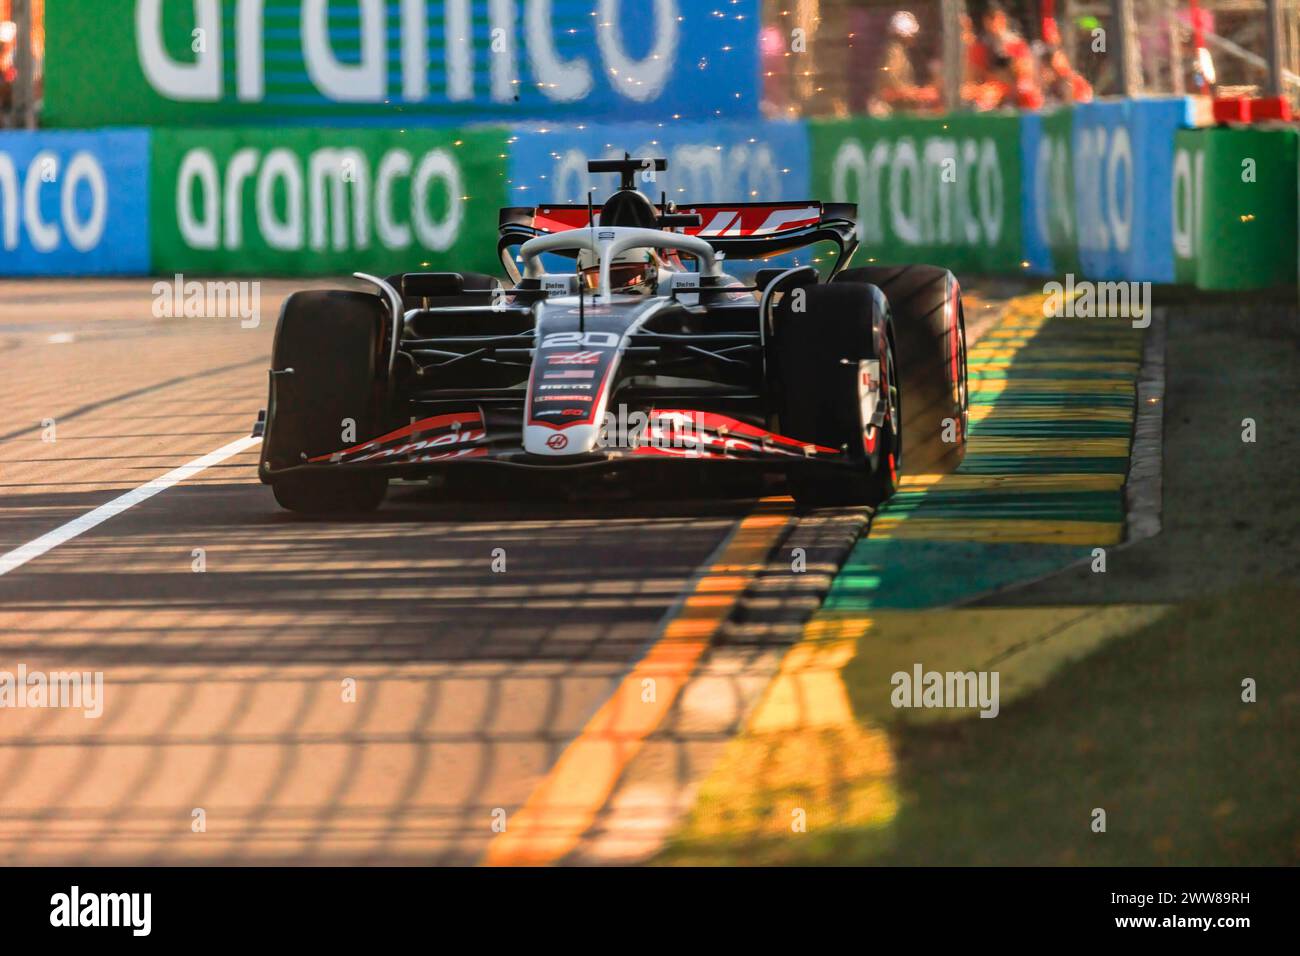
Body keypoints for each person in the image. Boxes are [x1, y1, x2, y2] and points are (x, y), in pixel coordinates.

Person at [873, 11, 939, 114]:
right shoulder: (895, 53)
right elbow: (895, 86)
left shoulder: (897, 51)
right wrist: (917, 94)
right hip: (890, 110)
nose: (914, 37)